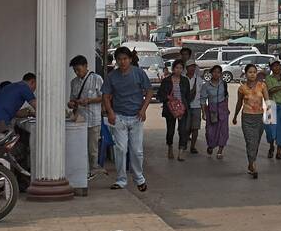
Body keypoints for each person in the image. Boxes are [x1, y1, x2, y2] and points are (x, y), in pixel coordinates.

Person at [102, 45, 154, 191]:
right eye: (119, 59)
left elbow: (149, 91)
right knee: (120, 149)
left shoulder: (139, 73)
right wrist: (110, 112)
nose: (122, 62)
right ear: (116, 61)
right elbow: (105, 96)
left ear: (130, 59)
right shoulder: (111, 76)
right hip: (119, 117)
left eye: (125, 59)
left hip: (136, 116)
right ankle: (121, 180)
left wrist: (143, 110)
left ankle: (139, 178)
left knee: (137, 150)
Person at [232, 64, 271, 178]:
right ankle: (253, 165)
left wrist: (270, 117)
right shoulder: (242, 88)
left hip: (259, 117)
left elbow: (268, 101)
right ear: (246, 74)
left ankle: (250, 163)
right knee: (250, 142)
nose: (252, 74)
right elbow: (239, 103)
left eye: (254, 72)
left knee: (256, 142)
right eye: (250, 72)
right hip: (247, 117)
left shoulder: (262, 86)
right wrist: (235, 116)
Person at [68, 55, 104, 176]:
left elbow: (104, 97)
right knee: (79, 146)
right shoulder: (73, 82)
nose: (77, 72)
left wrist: (89, 101)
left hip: (93, 119)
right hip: (79, 118)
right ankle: (82, 170)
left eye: (78, 69)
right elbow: (72, 99)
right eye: (75, 70)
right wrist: (71, 104)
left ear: (85, 66)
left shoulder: (96, 79)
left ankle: (93, 169)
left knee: (92, 147)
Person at [156, 58, 193, 160]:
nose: (179, 70)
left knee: (183, 131)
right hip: (170, 110)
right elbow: (160, 94)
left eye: (181, 68)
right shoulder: (166, 81)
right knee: (170, 131)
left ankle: (181, 152)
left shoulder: (185, 81)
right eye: (177, 68)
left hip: (182, 109)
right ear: (173, 68)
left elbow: (187, 96)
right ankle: (170, 147)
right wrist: (168, 98)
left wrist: (185, 106)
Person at [263, 60, 281, 159]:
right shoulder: (268, 78)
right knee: (270, 129)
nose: (276, 68)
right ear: (271, 68)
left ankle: (279, 152)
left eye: (278, 66)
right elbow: (270, 90)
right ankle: (271, 146)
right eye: (274, 66)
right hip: (271, 105)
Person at [201, 65, 230, 158]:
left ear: (221, 74)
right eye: (214, 72)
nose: (216, 74)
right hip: (212, 110)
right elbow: (202, 100)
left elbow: (226, 96)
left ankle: (220, 151)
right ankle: (211, 146)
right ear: (211, 73)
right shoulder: (206, 86)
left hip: (222, 109)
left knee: (223, 130)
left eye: (218, 72)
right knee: (210, 131)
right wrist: (204, 113)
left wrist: (227, 108)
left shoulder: (224, 84)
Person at [183, 53, 202, 154]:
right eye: (190, 67)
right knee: (186, 128)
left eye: (194, 67)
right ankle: (185, 142)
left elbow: (202, 94)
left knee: (195, 128)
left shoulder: (199, 79)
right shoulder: (183, 79)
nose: (192, 69)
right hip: (185, 106)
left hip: (196, 106)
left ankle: (193, 147)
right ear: (187, 68)